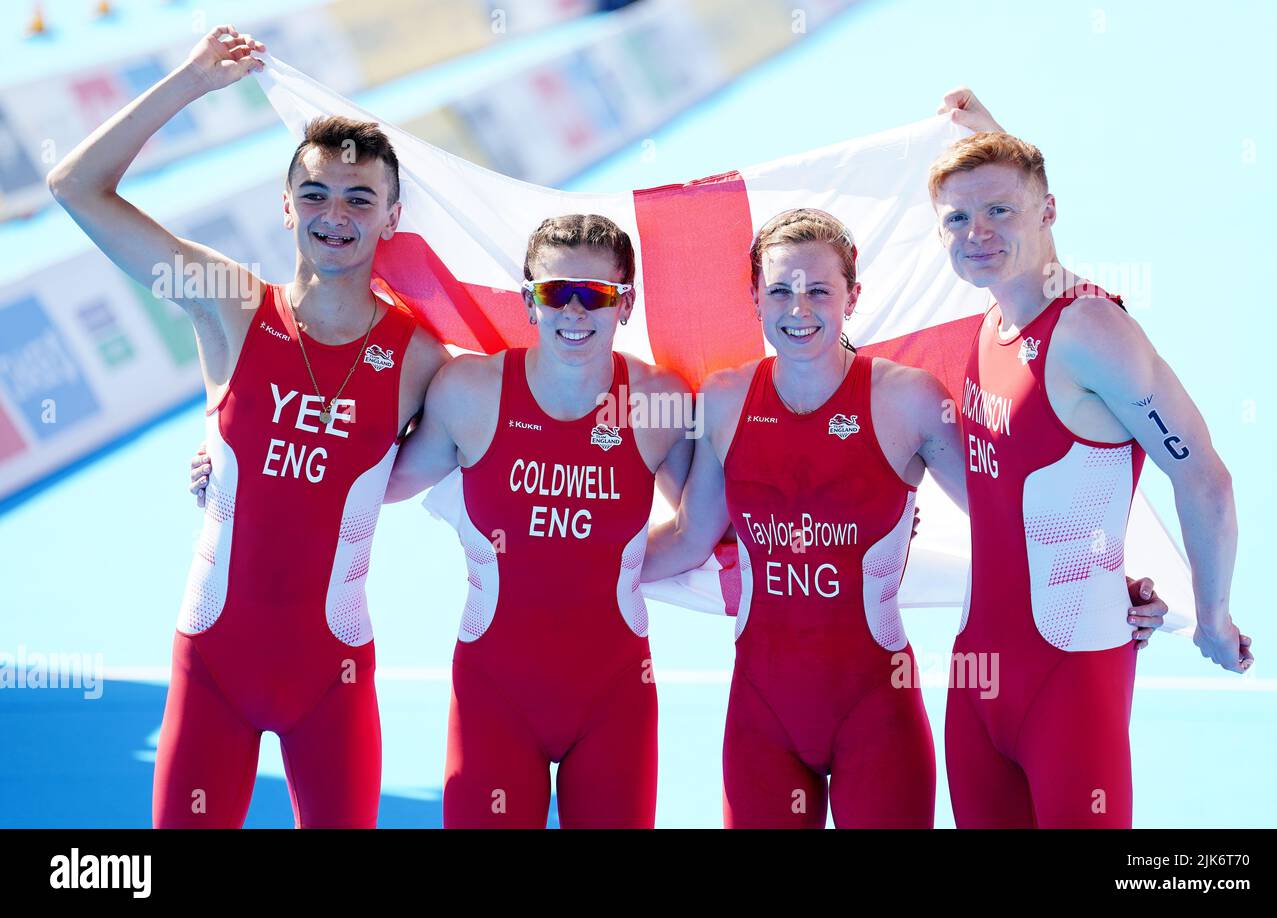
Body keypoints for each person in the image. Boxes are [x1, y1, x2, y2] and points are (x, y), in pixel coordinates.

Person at [640, 205, 1170, 828]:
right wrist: (562, 567)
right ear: (755, 298)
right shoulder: (727, 399)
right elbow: (689, 538)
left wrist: (1110, 586)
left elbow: (1008, 517)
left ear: (853, 296)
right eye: (780, 290)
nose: (798, 308)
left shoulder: (909, 399)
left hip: (877, 714)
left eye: (819, 290)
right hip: (761, 719)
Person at [48, 26, 447, 827]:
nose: (335, 216)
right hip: (213, 669)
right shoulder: (228, 303)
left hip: (331, 679)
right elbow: (75, 187)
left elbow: (506, 421)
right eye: (316, 194)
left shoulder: (423, 360)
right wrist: (188, 82)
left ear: (392, 216)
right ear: (287, 203)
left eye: (360, 199)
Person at [931, 89, 1249, 828]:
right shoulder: (994, 316)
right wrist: (991, 141)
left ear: (1047, 213)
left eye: (998, 211)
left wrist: (1212, 615)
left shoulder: (1091, 331)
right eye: (956, 218)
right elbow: (1018, 202)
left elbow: (1204, 475)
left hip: (1070, 681)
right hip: (976, 677)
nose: (976, 232)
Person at [382, 214, 693, 827]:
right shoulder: (469, 390)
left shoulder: (659, 402)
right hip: (493, 694)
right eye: (555, 292)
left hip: (615, 698)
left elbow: (707, 528)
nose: (573, 311)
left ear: (624, 304)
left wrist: (617, 566)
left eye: (594, 295)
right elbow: (374, 485)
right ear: (530, 300)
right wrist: (238, 466)